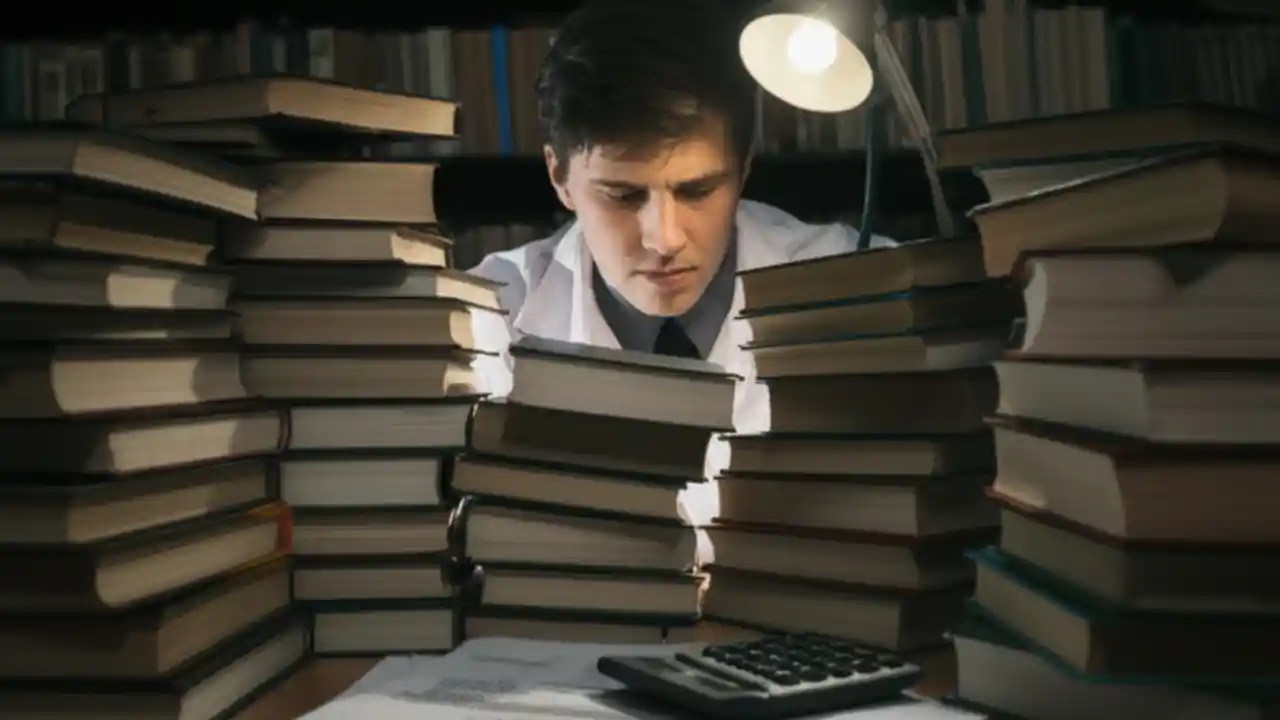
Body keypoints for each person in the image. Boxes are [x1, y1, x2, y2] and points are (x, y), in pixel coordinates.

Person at [468, 0, 894, 544]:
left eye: (697, 190)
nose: (664, 239)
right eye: (623, 195)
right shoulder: (482, 320)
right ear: (559, 176)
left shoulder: (867, 288)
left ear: (744, 167)